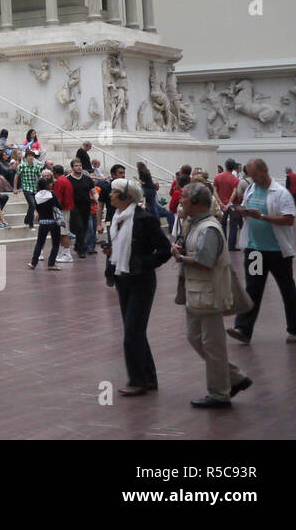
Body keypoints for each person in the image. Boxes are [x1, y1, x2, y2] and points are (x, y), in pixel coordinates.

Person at [171, 182, 253, 408]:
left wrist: (181, 258)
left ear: (197, 202)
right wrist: (181, 250)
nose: (180, 200)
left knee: (212, 345)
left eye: (184, 197)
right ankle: (234, 377)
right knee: (195, 338)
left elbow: (204, 261)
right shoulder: (194, 224)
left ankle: (219, 393)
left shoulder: (209, 228)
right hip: (197, 293)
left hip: (209, 294)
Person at [105, 177, 173, 397]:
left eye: (114, 192)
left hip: (141, 280)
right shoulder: (116, 218)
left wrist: (144, 264)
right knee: (135, 331)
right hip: (123, 279)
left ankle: (138, 380)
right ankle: (148, 377)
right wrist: (110, 269)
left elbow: (164, 249)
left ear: (126, 196)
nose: (110, 195)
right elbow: (117, 248)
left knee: (132, 331)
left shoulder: (144, 219)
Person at [227, 158, 296, 345]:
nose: (253, 179)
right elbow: (247, 210)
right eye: (250, 176)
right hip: (255, 250)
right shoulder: (251, 190)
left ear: (265, 171)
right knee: (252, 289)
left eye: (255, 175)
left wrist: (261, 216)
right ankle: (243, 329)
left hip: (277, 252)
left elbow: (288, 220)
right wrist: (240, 212)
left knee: (287, 290)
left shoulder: (281, 193)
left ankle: (295, 330)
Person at [28, 173, 63, 270]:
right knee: (55, 243)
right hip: (53, 222)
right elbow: (58, 206)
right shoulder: (51, 194)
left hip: (43, 222)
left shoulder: (36, 196)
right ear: (47, 185)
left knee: (40, 243)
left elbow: (36, 208)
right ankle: (51, 264)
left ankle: (33, 263)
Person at [67, 159, 96, 256]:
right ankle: (81, 250)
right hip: (74, 206)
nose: (79, 167)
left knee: (84, 227)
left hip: (86, 206)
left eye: (80, 165)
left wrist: (98, 201)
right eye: (76, 165)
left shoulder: (87, 179)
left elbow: (94, 192)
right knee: (79, 226)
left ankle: (78, 245)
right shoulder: (68, 179)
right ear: (72, 167)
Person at [17, 151, 41, 228]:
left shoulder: (37, 166)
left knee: (32, 205)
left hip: (34, 188)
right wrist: (14, 188)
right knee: (32, 204)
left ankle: (27, 220)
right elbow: (16, 176)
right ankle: (31, 223)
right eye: (29, 156)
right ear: (26, 157)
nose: (31, 157)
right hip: (26, 188)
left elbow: (39, 177)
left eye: (32, 156)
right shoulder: (22, 166)